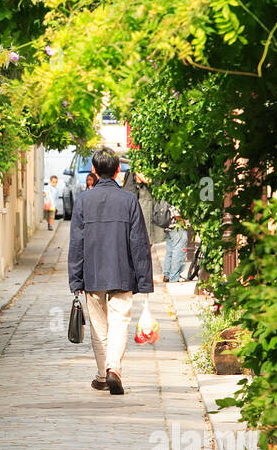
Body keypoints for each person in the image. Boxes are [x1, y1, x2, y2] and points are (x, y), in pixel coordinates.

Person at [68, 148, 154, 395]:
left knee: (99, 326)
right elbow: (138, 244)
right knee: (120, 322)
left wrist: (75, 279)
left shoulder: (83, 201)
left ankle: (101, 374)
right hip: (122, 271)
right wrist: (144, 281)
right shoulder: (129, 201)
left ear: (94, 170)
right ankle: (113, 368)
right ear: (118, 171)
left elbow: (76, 243)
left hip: (92, 273)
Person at [158, 200, 189, 282]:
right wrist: (182, 222)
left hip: (168, 225)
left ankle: (167, 274)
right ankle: (174, 276)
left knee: (170, 251)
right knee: (179, 250)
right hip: (177, 225)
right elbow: (177, 213)